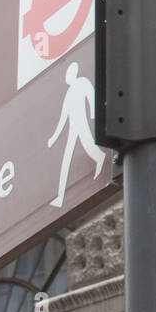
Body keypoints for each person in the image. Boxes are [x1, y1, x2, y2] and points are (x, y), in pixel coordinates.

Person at [47, 62, 105, 207]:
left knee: (89, 146)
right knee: (67, 157)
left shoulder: (82, 82)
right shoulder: (69, 93)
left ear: (74, 72)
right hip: (73, 128)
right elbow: (63, 118)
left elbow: (91, 96)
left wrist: (94, 114)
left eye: (68, 73)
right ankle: (60, 197)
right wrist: (53, 138)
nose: (66, 77)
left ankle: (101, 158)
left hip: (82, 124)